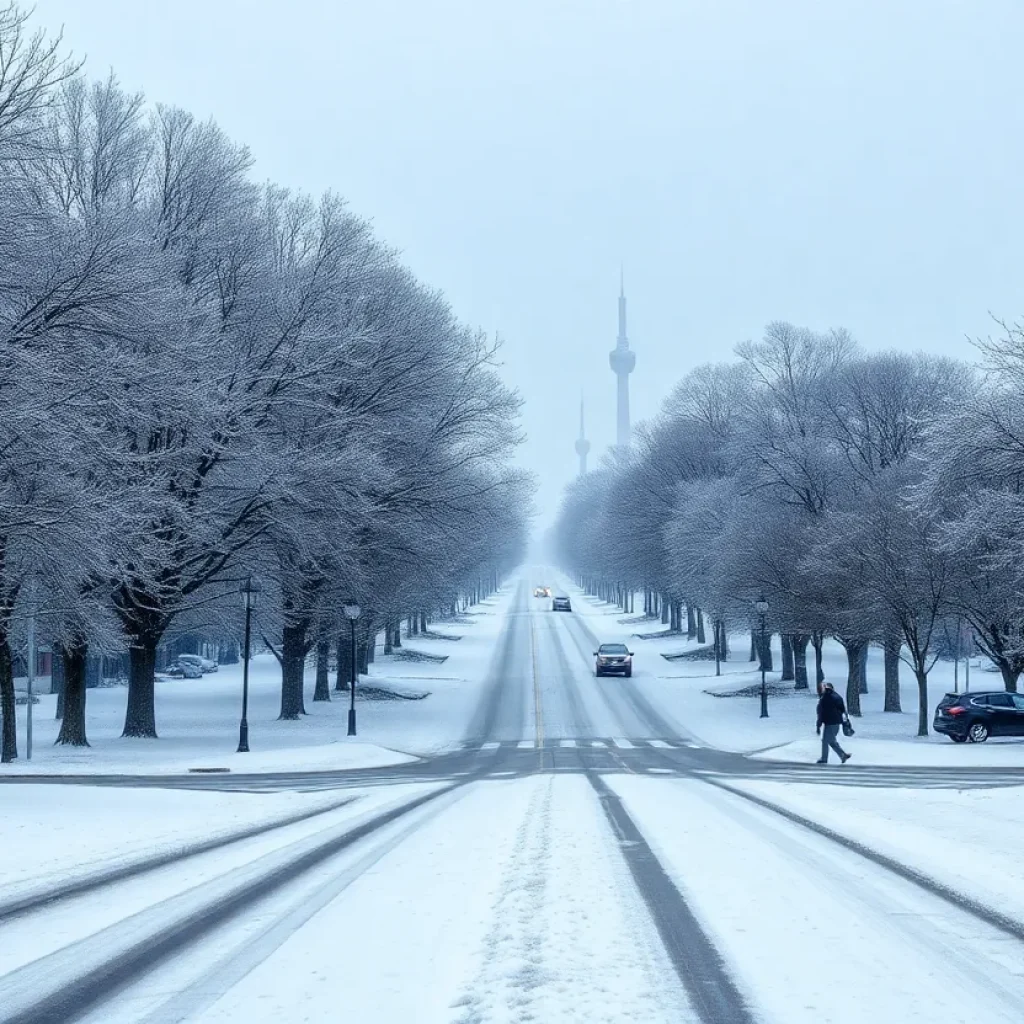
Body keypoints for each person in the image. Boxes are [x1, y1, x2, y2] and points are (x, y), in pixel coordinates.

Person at [816, 682, 851, 764]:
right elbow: (842, 709)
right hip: (836, 722)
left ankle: (824, 758)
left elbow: (821, 713)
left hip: (830, 723)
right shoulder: (837, 696)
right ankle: (843, 755)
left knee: (825, 741)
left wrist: (818, 726)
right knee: (830, 741)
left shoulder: (825, 698)